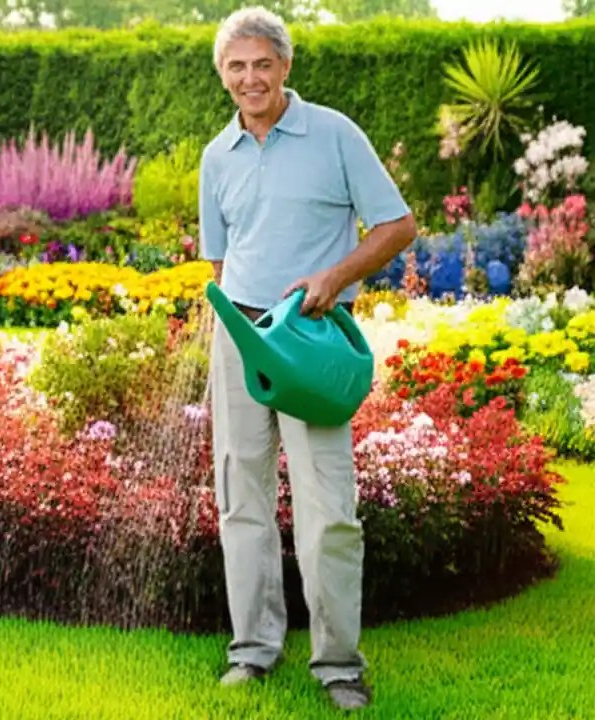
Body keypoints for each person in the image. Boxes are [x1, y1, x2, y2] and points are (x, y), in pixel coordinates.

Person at [197, 5, 418, 712]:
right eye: (237, 66)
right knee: (242, 501)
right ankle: (254, 651)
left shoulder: (334, 134)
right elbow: (221, 255)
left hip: (313, 341)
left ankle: (339, 666)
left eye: (263, 63)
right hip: (240, 338)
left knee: (329, 509)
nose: (250, 77)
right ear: (222, 76)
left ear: (286, 66)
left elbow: (398, 224)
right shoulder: (216, 156)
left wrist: (335, 277)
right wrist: (228, 316)